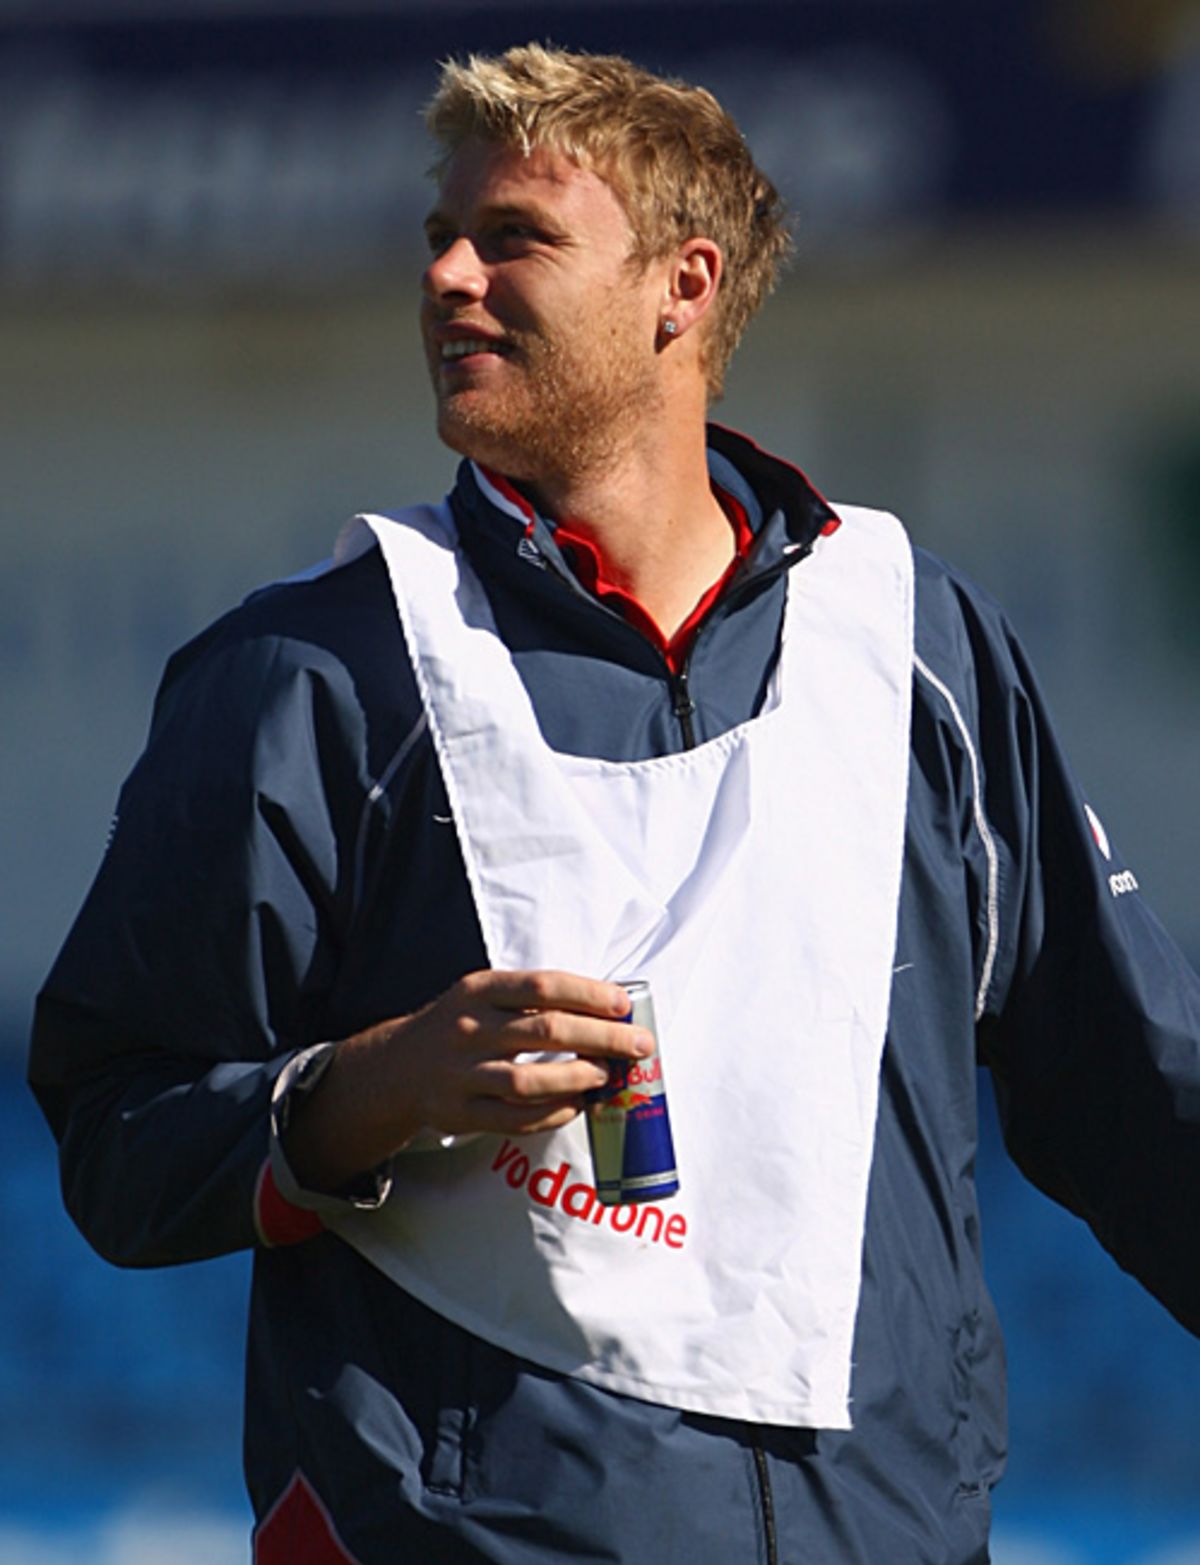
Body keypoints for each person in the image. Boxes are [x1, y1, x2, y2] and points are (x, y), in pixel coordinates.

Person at [29, 42, 1200, 1565]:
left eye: (513, 236)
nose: (447, 278)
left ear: (684, 286)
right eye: (439, 239)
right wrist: (363, 1092)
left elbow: (1135, 1090)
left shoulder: (921, 647)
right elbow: (114, 1134)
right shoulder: (310, 671)